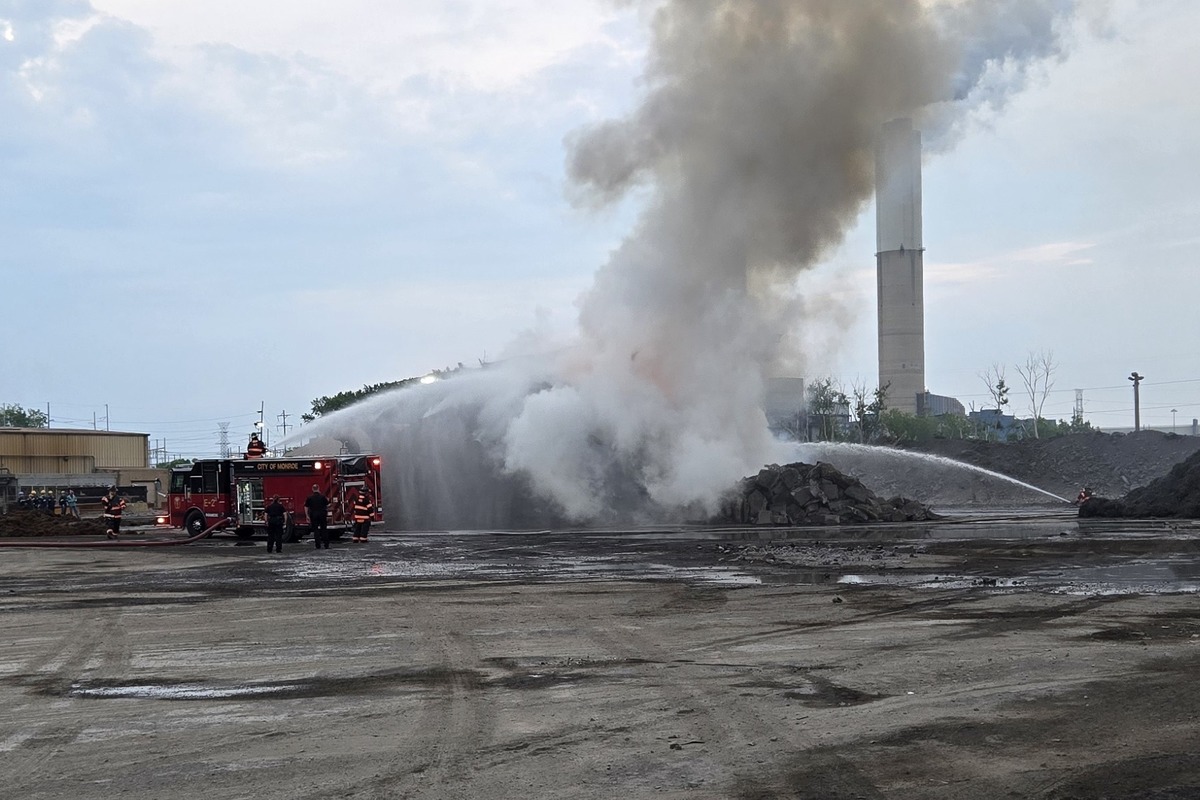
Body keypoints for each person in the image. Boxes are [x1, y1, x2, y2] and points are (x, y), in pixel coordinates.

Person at [304, 484, 330, 550]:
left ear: (312, 489)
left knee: (316, 530)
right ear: (318, 488)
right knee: (324, 529)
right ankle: (326, 545)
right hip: (322, 514)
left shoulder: (309, 498)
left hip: (313, 514)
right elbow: (328, 505)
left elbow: (306, 507)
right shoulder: (323, 497)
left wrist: (307, 516)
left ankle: (317, 545)